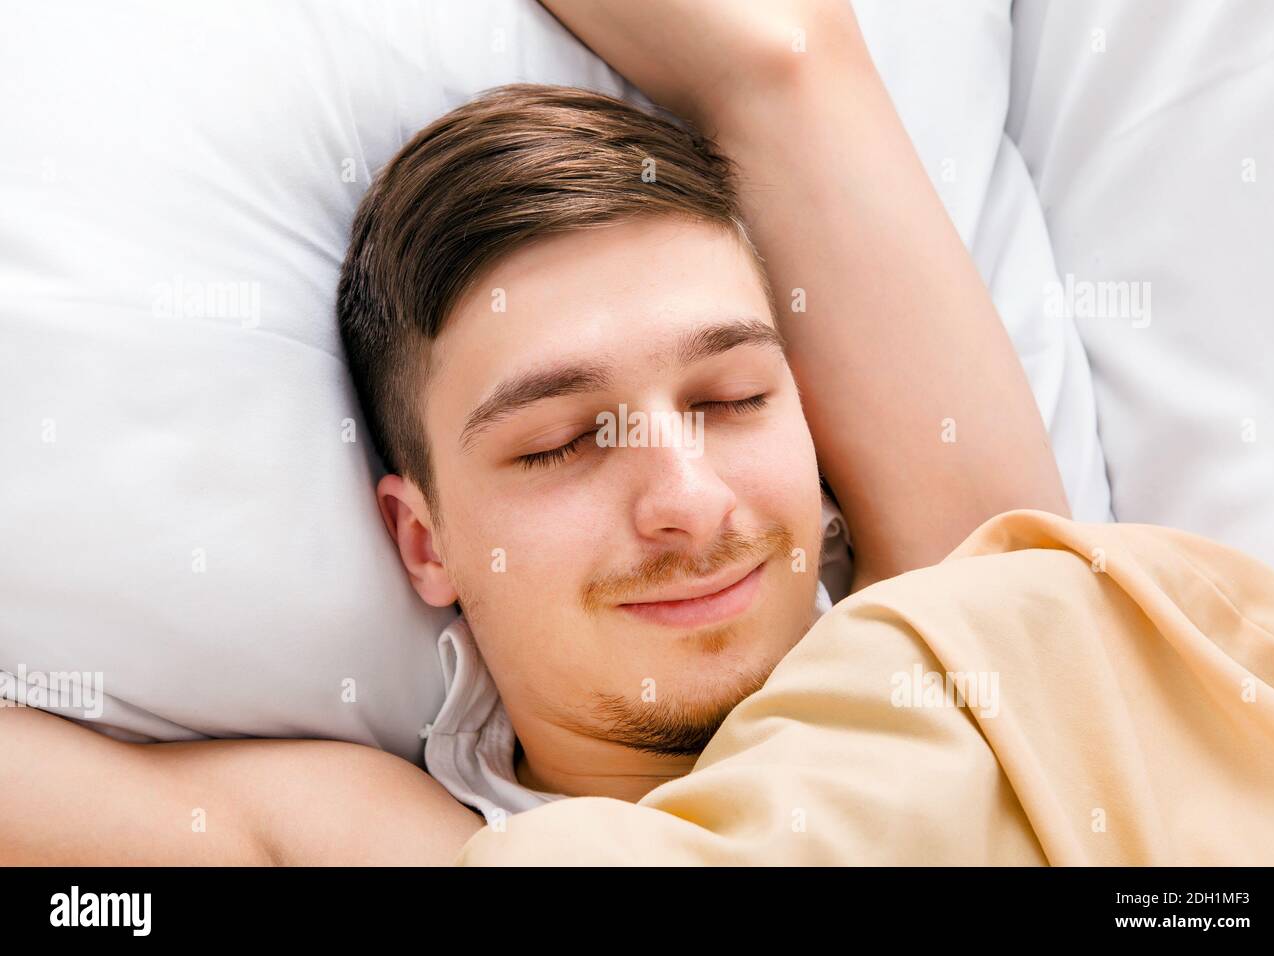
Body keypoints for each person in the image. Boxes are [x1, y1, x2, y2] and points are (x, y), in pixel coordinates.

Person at [0, 0, 1068, 865]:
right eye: (561, 441)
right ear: (425, 542)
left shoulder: (980, 644)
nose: (689, 500)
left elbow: (786, 61)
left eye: (732, 399)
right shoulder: (396, 848)